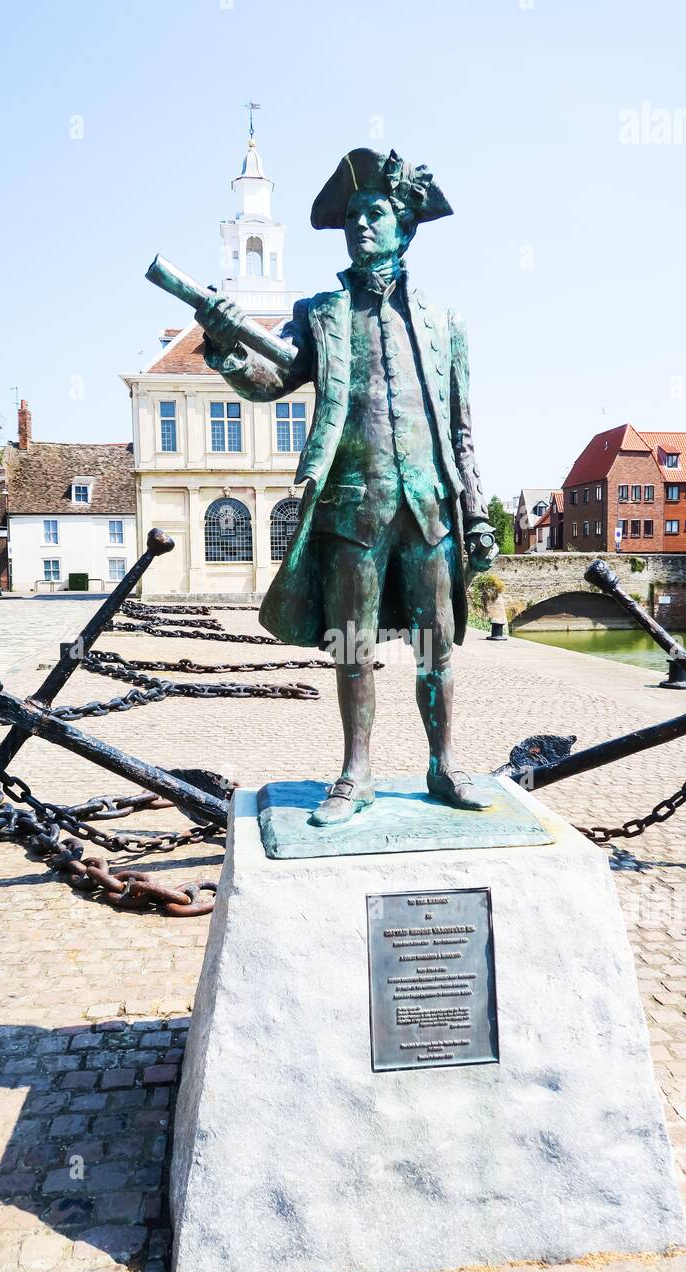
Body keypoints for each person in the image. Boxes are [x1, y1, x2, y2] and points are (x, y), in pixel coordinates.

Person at [198, 148, 498, 827]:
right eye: (352, 218)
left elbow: (461, 430)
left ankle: (443, 767)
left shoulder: (444, 323)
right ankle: (355, 772)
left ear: (405, 225)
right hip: (350, 504)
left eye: (375, 214)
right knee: (352, 647)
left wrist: (477, 517)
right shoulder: (321, 312)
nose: (361, 226)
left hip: (429, 508)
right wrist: (222, 348)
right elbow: (270, 380)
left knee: (436, 649)